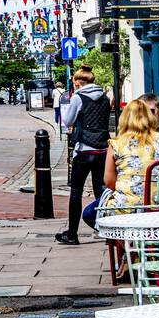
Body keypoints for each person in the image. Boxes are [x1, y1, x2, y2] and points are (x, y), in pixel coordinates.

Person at [84, 98, 159, 232]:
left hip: (126, 208)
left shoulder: (116, 144)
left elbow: (108, 181)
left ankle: (126, 245)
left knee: (89, 213)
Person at [55, 66, 111, 246]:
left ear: (78, 83)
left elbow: (68, 121)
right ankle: (105, 230)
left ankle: (72, 234)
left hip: (84, 150)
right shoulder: (105, 97)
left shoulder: (78, 97)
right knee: (101, 192)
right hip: (102, 149)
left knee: (76, 192)